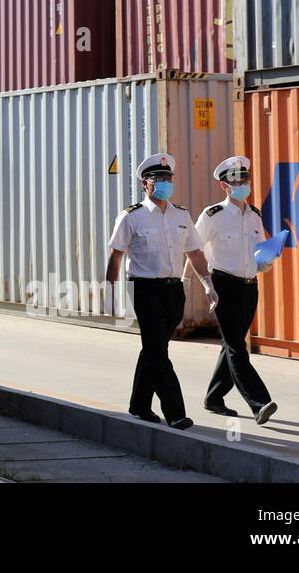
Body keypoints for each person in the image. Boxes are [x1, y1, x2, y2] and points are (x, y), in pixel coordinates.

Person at [105, 152, 217, 430]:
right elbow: (116, 255)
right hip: (145, 289)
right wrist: (109, 289)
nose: (165, 182)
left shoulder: (182, 215)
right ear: (146, 183)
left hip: (173, 290)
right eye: (158, 178)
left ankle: (139, 405)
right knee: (158, 351)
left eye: (168, 178)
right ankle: (175, 412)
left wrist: (208, 284)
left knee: (154, 349)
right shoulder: (132, 216)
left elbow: (194, 252)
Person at [195, 155, 278, 425]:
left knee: (231, 346)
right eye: (236, 181)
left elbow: (260, 250)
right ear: (224, 186)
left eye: (245, 179)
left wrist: (265, 261)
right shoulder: (212, 216)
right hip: (223, 285)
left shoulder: (254, 215)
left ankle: (214, 397)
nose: (242, 184)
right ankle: (259, 402)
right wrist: (204, 284)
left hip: (249, 287)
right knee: (236, 347)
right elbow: (192, 248)